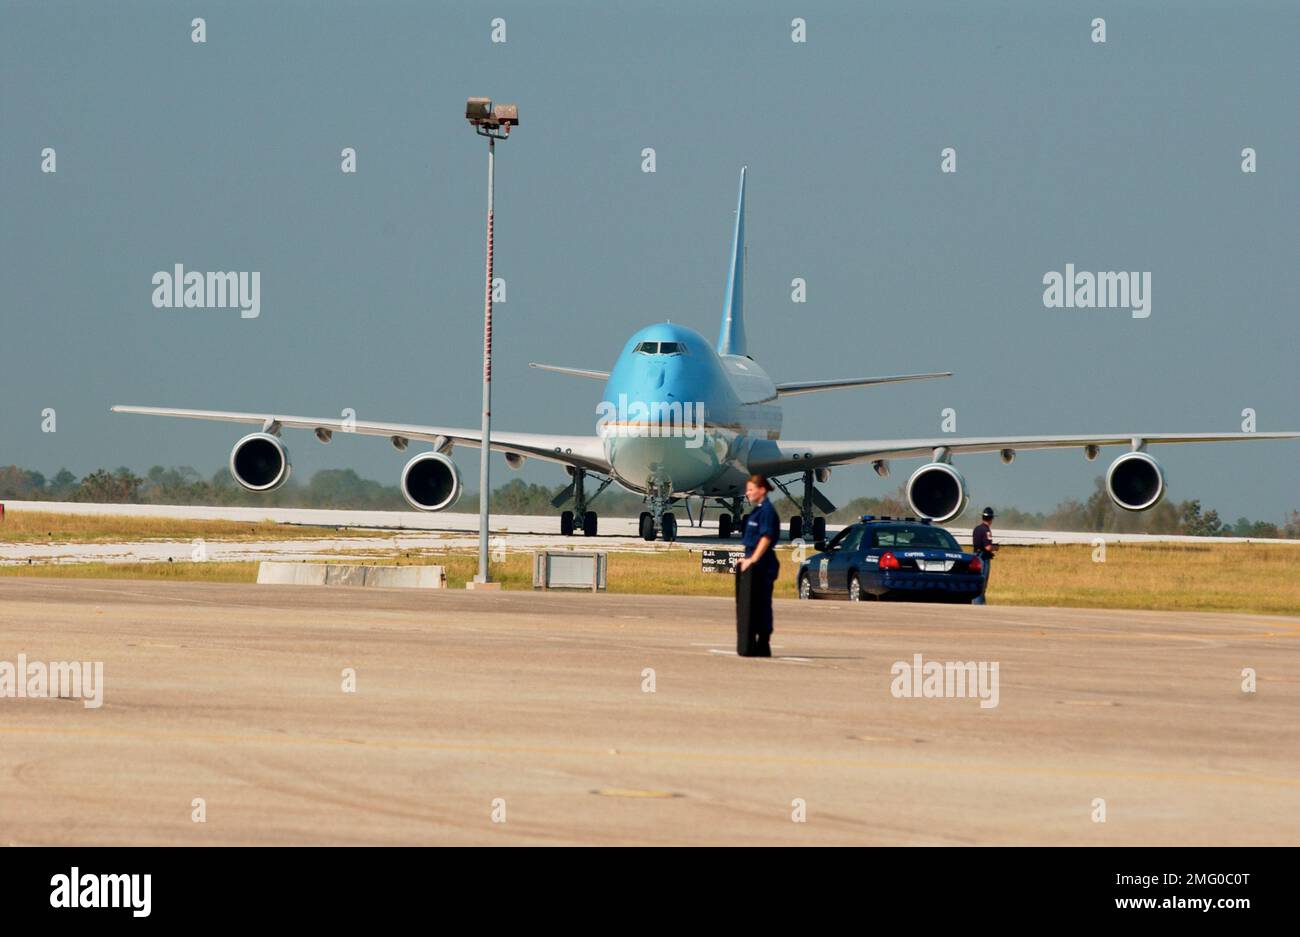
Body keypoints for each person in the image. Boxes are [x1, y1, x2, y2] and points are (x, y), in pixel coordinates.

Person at [736, 474, 780, 656]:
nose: (747, 493)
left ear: (761, 490)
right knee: (750, 604)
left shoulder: (767, 511)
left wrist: (753, 559)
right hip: (753, 564)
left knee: (761, 604)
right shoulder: (757, 510)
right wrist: (745, 559)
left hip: (763, 564)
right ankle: (751, 641)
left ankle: (763, 642)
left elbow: (766, 537)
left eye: (750, 490)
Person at [971, 507, 998, 604]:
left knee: (976, 581)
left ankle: (974, 602)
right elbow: (987, 547)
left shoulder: (977, 529)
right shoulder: (987, 531)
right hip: (983, 558)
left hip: (975, 557)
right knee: (982, 583)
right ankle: (979, 603)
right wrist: (995, 548)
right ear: (991, 519)